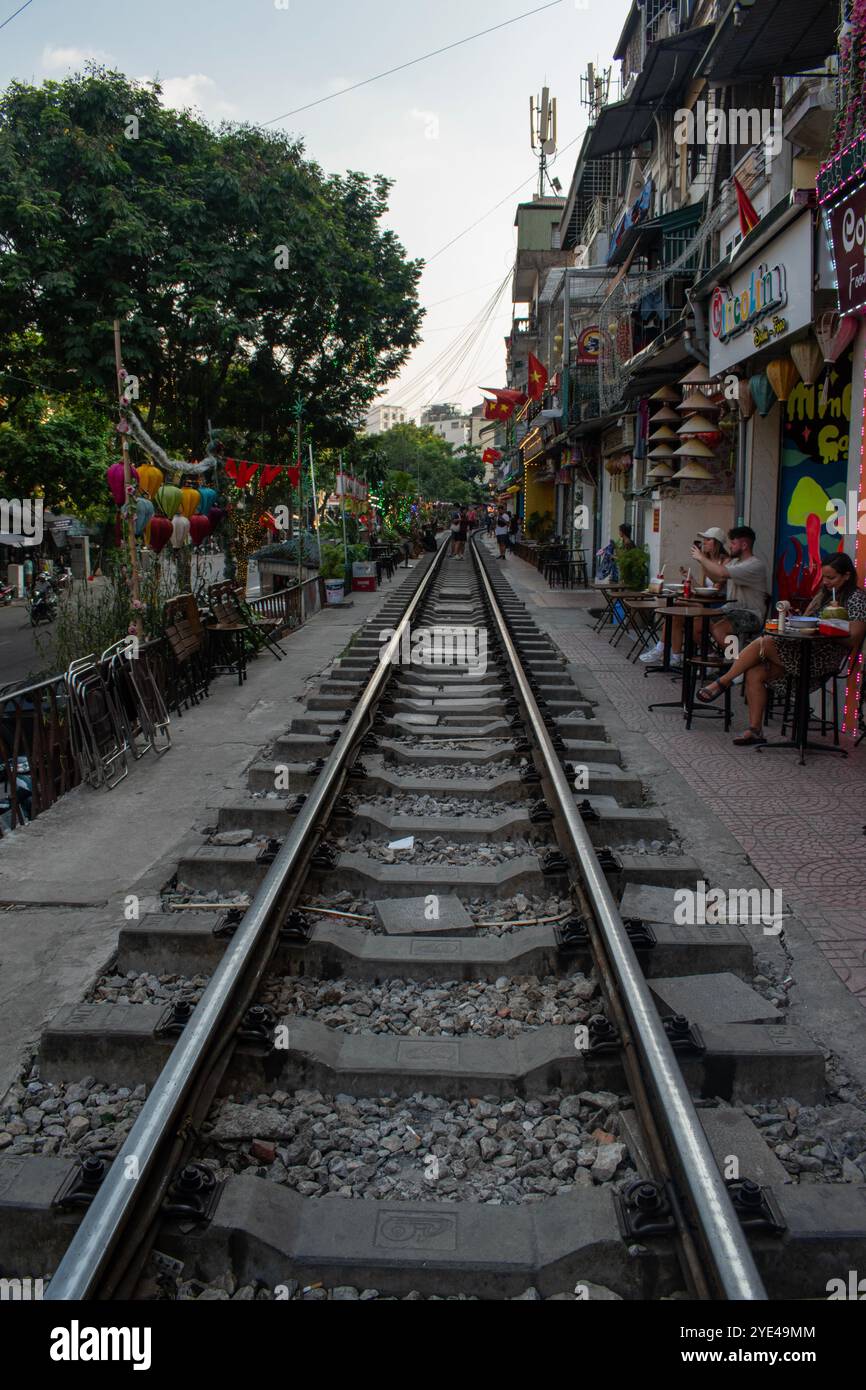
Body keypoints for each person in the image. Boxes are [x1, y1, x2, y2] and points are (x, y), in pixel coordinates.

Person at [697, 553, 866, 745]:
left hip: (823, 658)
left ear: (846, 575)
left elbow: (854, 639)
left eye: (831, 578)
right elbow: (807, 622)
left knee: (765, 642)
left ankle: (725, 680)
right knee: (755, 671)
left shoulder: (856, 598)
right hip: (802, 651)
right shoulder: (823, 596)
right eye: (824, 577)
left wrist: (828, 627)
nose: (826, 582)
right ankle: (755, 730)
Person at [640, 528, 729, 667]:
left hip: (720, 606)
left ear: (717, 543)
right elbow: (704, 589)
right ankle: (674, 655)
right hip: (711, 604)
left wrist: (702, 559)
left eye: (708, 540)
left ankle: (666, 650)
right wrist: (691, 578)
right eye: (704, 540)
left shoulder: (726, 562)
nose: (704, 543)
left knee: (682, 614)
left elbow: (717, 586)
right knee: (675, 611)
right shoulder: (708, 561)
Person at [694, 525, 769, 655]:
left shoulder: (754, 565)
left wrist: (702, 558)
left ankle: (737, 664)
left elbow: (722, 573)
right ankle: (711, 656)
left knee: (719, 629)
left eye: (733, 543)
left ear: (744, 545)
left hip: (751, 613)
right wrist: (703, 561)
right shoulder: (734, 563)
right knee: (696, 625)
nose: (730, 546)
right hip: (730, 609)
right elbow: (718, 578)